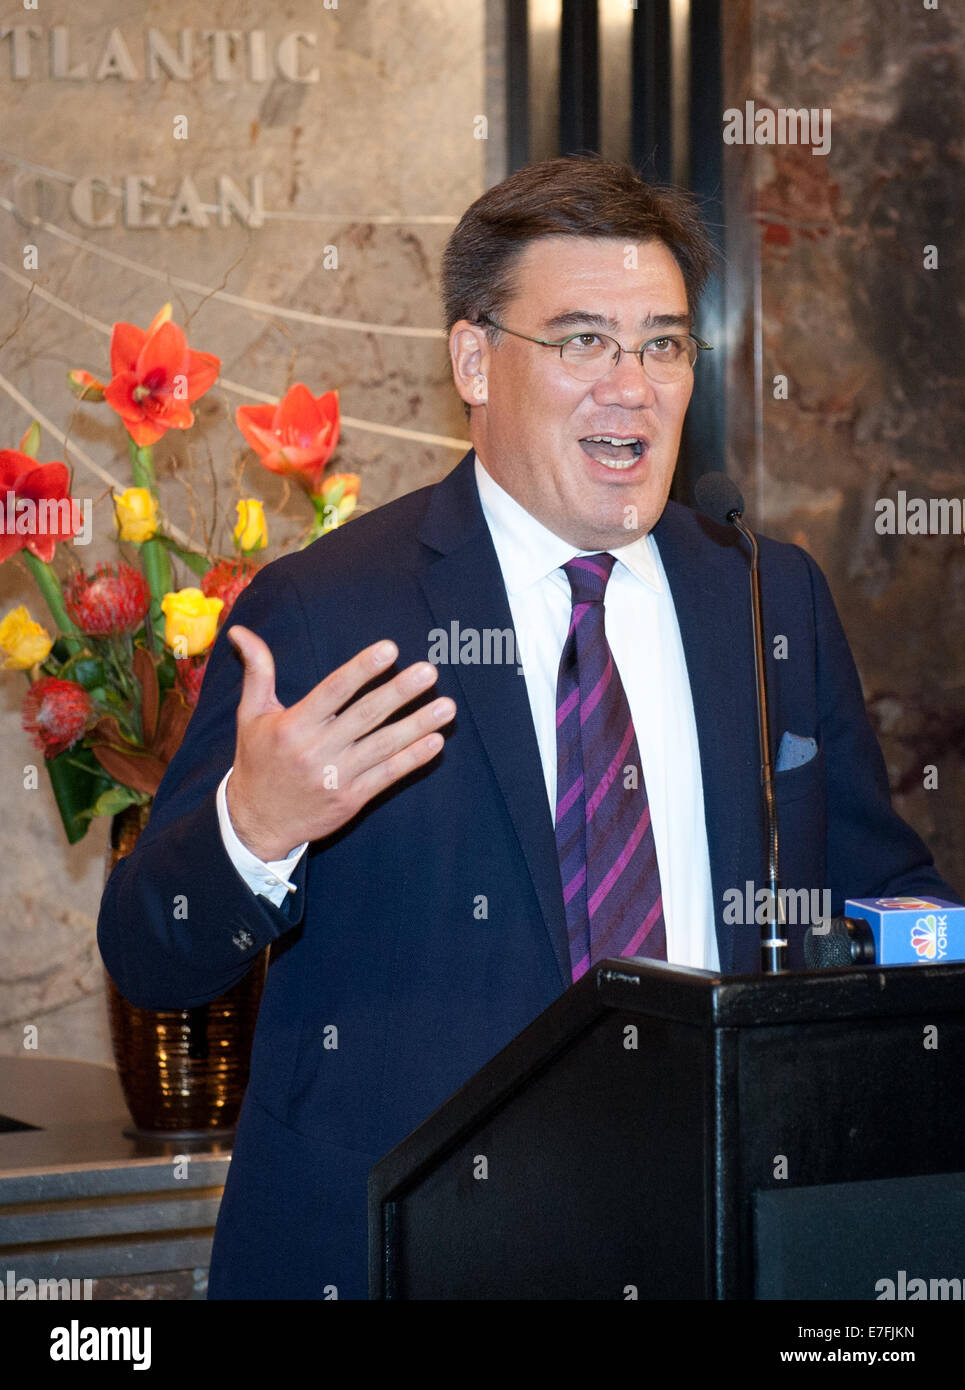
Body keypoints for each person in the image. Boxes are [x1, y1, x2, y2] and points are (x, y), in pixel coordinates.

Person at [97, 155, 959, 1300]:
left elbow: (885, 907)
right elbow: (155, 953)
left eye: (660, 344)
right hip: (409, 1255)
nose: (632, 385)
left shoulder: (764, 596)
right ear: (473, 360)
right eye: (581, 341)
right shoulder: (328, 608)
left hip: (716, 1244)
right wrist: (253, 828)